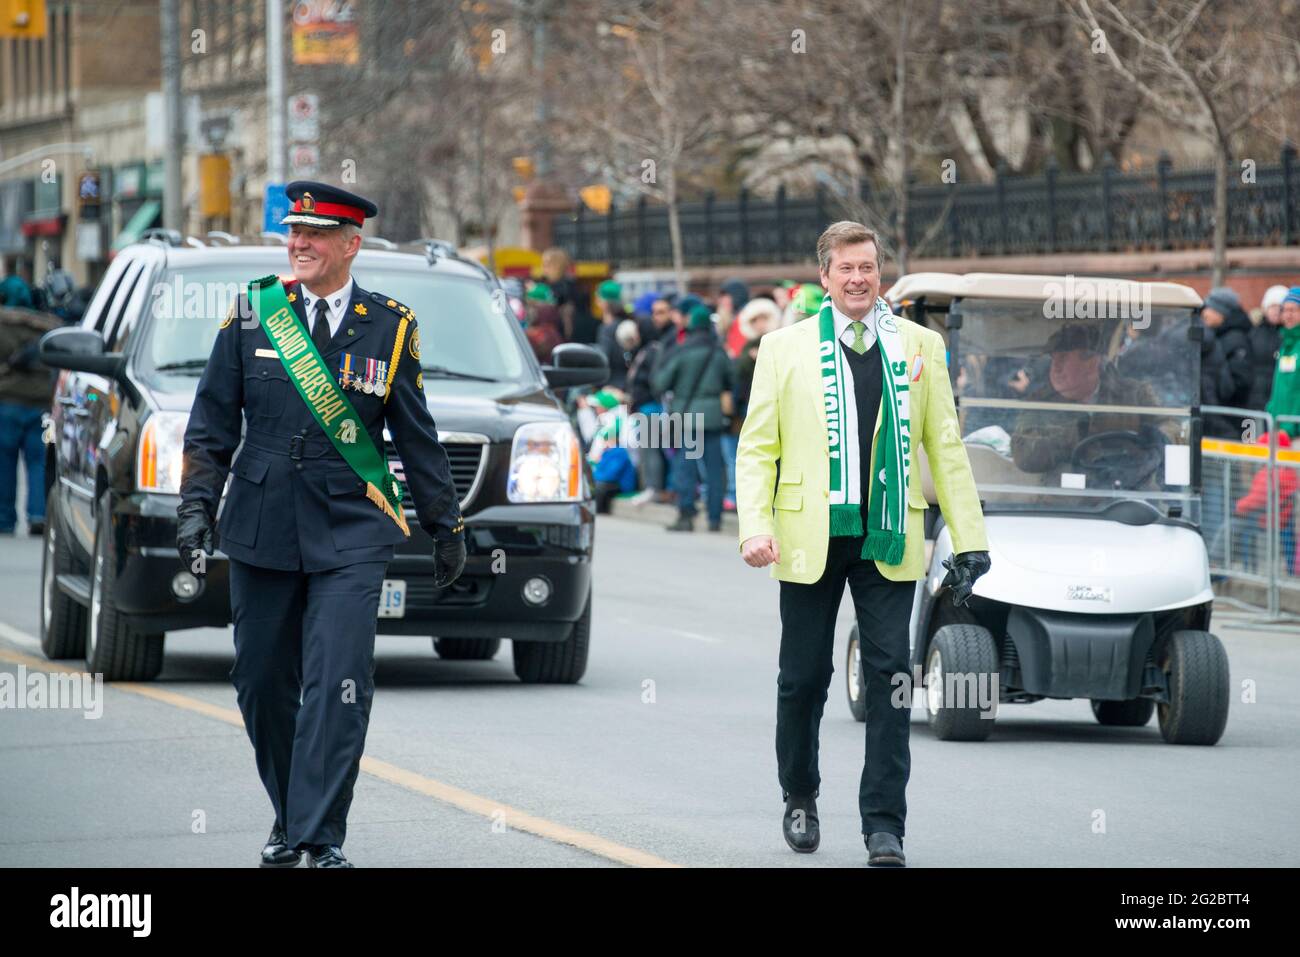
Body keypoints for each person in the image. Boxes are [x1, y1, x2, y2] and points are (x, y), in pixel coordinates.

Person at [177, 181, 466, 869]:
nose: (298, 243)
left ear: (350, 244)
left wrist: (445, 524)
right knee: (261, 677)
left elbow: (416, 437)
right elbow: (212, 422)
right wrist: (195, 505)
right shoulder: (254, 312)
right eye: (293, 231)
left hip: (351, 527)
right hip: (262, 520)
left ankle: (319, 835)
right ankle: (290, 814)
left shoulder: (390, 325)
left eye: (313, 233)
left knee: (341, 679)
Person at [736, 221, 989, 867]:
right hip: (806, 536)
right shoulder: (783, 347)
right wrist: (755, 526)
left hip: (888, 534)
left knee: (891, 676)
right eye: (845, 268)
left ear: (881, 274)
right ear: (824, 276)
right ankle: (800, 793)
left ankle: (884, 825)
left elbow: (947, 448)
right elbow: (758, 447)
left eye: (867, 267)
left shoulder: (920, 346)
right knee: (803, 679)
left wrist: (971, 538)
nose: (857, 279)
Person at [653, 305, 735, 532]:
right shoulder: (718, 352)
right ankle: (715, 517)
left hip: (687, 417)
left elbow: (660, 383)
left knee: (686, 466)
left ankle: (686, 515)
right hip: (713, 417)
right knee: (715, 468)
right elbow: (732, 380)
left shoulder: (682, 351)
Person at [0, 302, 58, 535]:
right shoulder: (51, 328)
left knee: (4, 463)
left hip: (6, 403)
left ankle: (4, 518)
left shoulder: (2, 326)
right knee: (39, 460)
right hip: (42, 405)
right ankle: (38, 514)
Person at [1199, 287, 1254, 438]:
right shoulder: (1220, 335)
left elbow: (1241, 382)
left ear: (1221, 312)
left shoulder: (1235, 339)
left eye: (1209, 308)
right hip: (1221, 414)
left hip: (1231, 416)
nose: (1205, 313)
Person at [1250, 285, 1291, 413]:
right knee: (1252, 432)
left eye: (1279, 307)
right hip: (1255, 398)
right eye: (1272, 306)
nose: (1276, 311)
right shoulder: (1254, 333)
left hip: (1280, 396)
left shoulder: (1289, 336)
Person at [1265, 288, 1300, 439]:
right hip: (1278, 429)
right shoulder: (1285, 344)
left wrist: (1292, 427)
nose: (1288, 315)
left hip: (1295, 431)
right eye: (1285, 310)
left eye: (1294, 310)